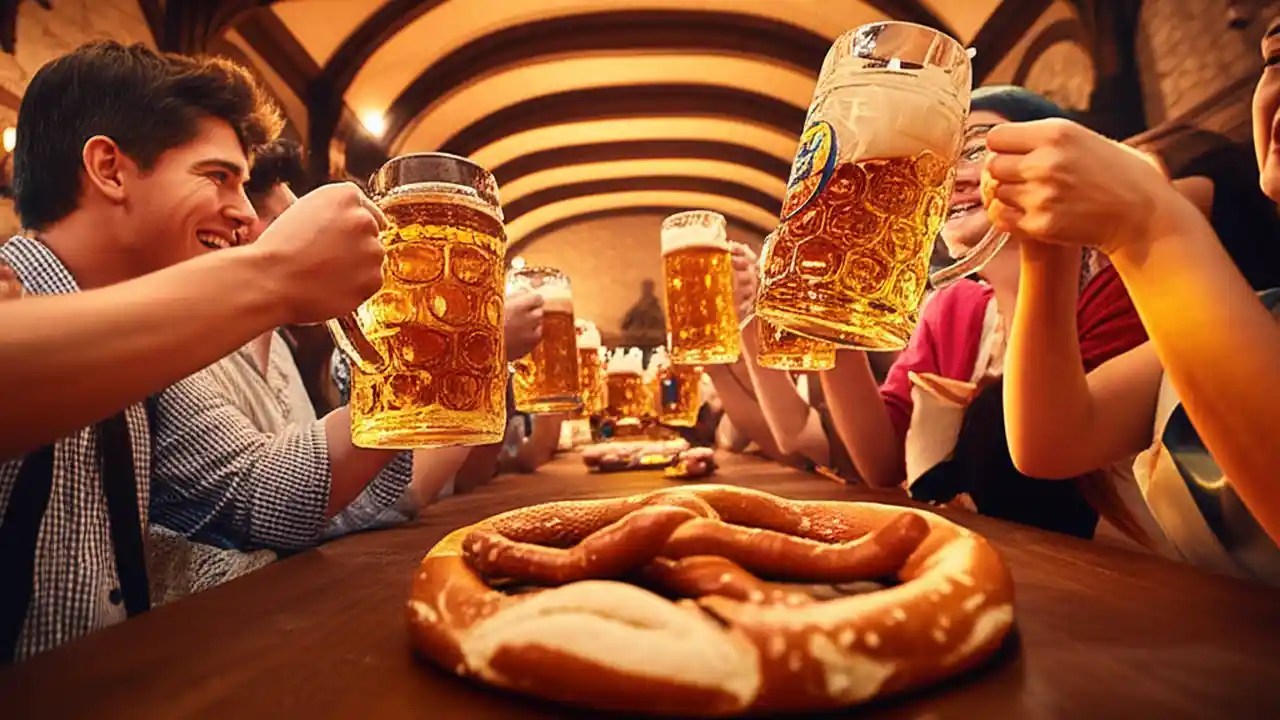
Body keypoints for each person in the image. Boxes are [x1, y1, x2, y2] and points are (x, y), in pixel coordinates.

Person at [0, 42, 390, 662]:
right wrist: (276, 274)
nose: (242, 212)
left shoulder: (153, 366)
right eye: (218, 177)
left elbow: (259, 494)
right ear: (109, 168)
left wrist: (422, 379)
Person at [994, 20, 1280, 583]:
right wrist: (1049, 250)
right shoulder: (1262, 312)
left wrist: (1150, 222)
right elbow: (1052, 440)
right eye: (1275, 58)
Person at [818, 86, 1150, 537]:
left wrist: (1044, 239)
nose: (952, 178)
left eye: (977, 147)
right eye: (938, 163)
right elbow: (880, 461)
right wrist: (822, 313)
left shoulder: (1122, 288)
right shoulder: (953, 308)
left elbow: (1047, 471)